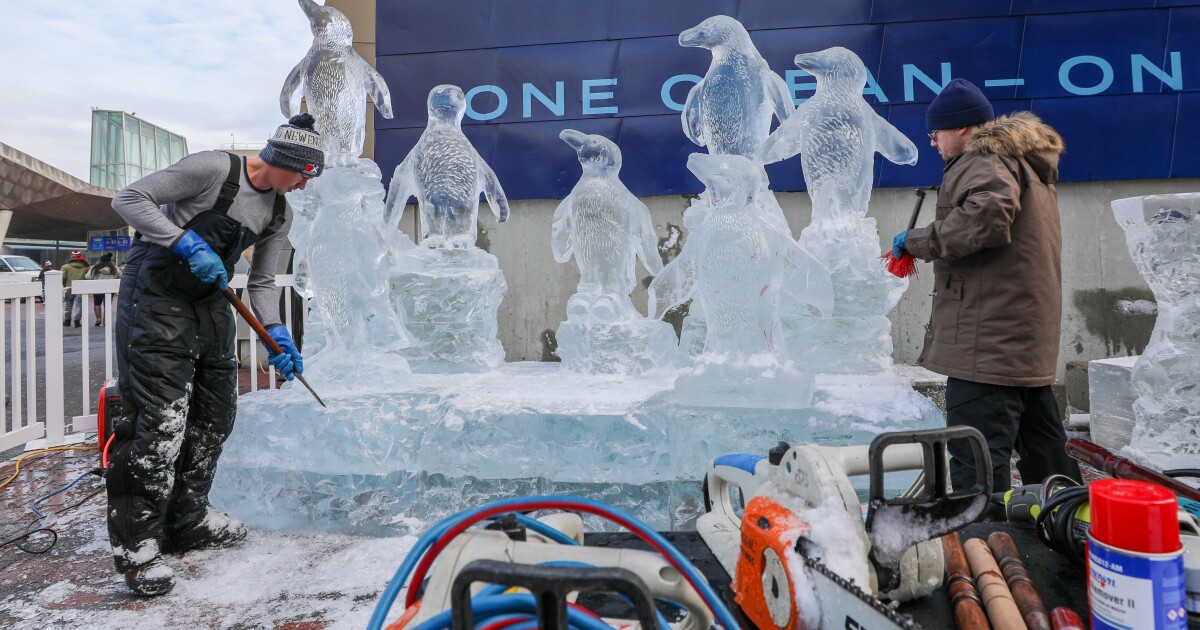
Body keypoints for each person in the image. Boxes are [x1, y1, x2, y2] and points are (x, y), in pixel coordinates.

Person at [106, 113, 321, 596]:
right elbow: (128, 198)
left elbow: (263, 283)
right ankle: (137, 548)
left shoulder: (280, 213)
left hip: (211, 299)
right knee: (160, 421)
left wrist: (277, 336)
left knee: (214, 414)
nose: (305, 187)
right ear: (287, 161)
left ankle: (188, 519)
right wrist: (181, 239)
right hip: (158, 293)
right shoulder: (211, 169)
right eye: (306, 175)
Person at [891, 79, 1081, 504]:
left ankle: (987, 538)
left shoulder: (983, 158)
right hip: (1019, 330)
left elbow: (989, 217)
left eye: (936, 132)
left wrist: (918, 240)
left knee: (977, 453)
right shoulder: (1023, 162)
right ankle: (1067, 522)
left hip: (987, 337)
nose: (933, 141)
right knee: (1044, 447)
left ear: (960, 129)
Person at [85, 252, 122, 325]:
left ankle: (98, 319)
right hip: (110, 289)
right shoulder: (114, 268)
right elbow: (120, 275)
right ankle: (106, 320)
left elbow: (87, 277)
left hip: (97, 288)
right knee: (107, 304)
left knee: (97, 303)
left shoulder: (94, 268)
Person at [60, 251, 90, 326]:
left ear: (71, 257)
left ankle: (67, 321)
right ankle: (77, 321)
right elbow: (88, 277)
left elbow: (62, 277)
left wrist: (64, 285)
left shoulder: (65, 267)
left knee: (68, 304)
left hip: (69, 288)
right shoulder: (85, 267)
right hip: (81, 288)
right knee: (79, 305)